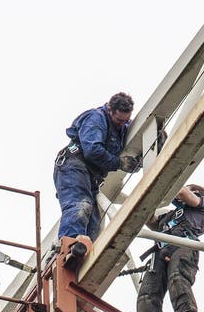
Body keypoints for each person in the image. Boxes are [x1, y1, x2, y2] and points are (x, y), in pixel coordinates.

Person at [53, 93, 141, 244]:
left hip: (91, 176)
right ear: (109, 109)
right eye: (119, 120)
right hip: (74, 166)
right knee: (80, 206)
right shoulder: (96, 118)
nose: (122, 124)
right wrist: (119, 163)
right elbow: (92, 150)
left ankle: (84, 255)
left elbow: (134, 131)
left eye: (125, 120)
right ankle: (69, 246)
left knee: (93, 225)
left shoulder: (122, 126)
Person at [136, 184, 204, 312]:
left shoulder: (203, 207)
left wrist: (169, 187)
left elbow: (182, 191)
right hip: (161, 252)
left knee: (177, 279)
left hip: (183, 245)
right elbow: (151, 221)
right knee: (148, 292)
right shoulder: (171, 215)